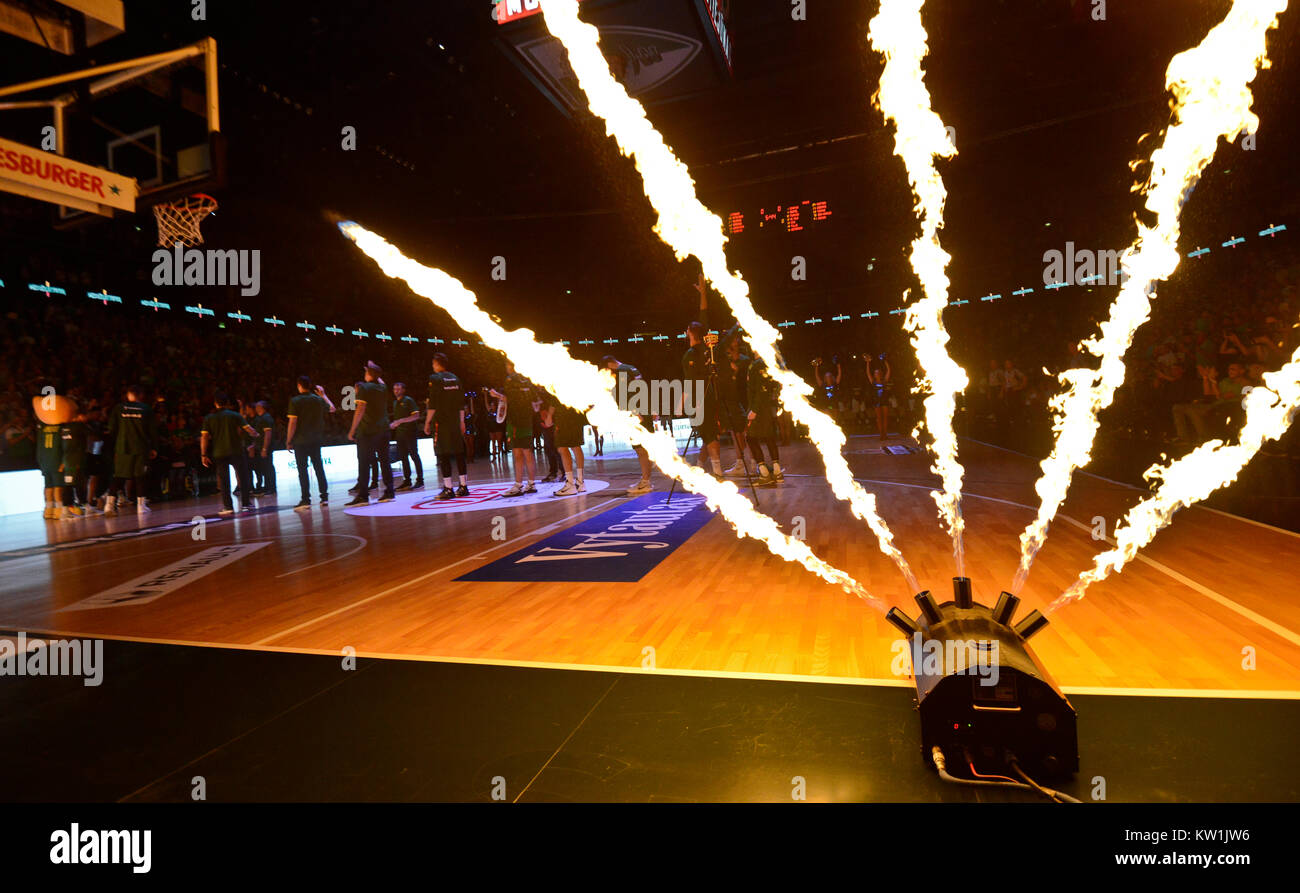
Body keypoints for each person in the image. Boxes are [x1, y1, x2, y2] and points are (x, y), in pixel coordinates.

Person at [602, 355, 654, 494]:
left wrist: (635, 412)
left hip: (637, 414)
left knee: (640, 449)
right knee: (644, 448)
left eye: (607, 370)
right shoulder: (632, 368)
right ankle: (646, 480)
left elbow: (627, 394)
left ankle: (645, 482)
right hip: (645, 409)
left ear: (609, 365)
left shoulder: (622, 371)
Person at [201, 391, 260, 515]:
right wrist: (255, 433)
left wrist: (203, 454)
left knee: (224, 481)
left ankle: (228, 507)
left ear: (215, 403)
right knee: (243, 477)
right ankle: (246, 503)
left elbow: (204, 437)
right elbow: (248, 429)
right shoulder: (234, 415)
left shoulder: (209, 418)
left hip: (219, 453)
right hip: (236, 451)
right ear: (227, 403)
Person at [105, 384, 160, 515]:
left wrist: (114, 447)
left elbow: (112, 429)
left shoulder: (118, 408)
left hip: (123, 447)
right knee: (140, 476)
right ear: (141, 395)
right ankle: (141, 507)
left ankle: (109, 505)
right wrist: (154, 448)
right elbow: (152, 431)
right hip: (141, 448)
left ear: (128, 395)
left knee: (119, 476)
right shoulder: (146, 409)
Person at [346, 361, 396, 506]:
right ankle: (389, 492)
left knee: (364, 463)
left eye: (366, 371)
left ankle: (363, 495)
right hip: (384, 430)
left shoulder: (364, 388)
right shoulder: (382, 387)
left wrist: (352, 430)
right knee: (385, 461)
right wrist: (374, 369)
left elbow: (360, 410)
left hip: (368, 431)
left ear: (369, 374)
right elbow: (380, 379)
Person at [488, 360, 537, 497]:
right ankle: (531, 484)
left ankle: (518, 485)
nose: (506, 368)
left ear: (511, 366)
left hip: (515, 422)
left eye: (507, 366)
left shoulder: (510, 380)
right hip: (527, 420)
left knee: (517, 453)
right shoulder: (527, 380)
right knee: (528, 452)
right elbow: (535, 401)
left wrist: (496, 394)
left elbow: (509, 399)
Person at [285, 376, 336, 510]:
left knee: (302, 471)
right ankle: (324, 497)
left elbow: (293, 423)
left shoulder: (295, 401)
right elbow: (332, 408)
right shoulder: (318, 399)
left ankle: (305, 499)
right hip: (316, 440)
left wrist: (288, 440)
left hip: (300, 441)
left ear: (299, 385)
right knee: (319, 468)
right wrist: (323, 395)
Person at [425, 353, 470, 500]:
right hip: (455, 422)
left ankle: (448, 488)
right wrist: (462, 421)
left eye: (433, 363)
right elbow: (460, 403)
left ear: (437, 363)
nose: (432, 366)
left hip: (441, 422)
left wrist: (427, 422)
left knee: (443, 454)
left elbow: (433, 404)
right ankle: (463, 486)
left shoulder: (435, 379)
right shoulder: (455, 378)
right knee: (459, 453)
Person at [745, 355, 783, 486]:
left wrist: (754, 410)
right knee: (769, 437)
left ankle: (764, 473)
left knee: (750, 438)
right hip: (767, 406)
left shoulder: (759, 364)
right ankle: (777, 472)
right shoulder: (769, 362)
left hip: (760, 408)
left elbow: (761, 390)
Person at [551, 390, 588, 497]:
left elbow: (555, 398)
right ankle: (580, 482)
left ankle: (570, 484)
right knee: (576, 445)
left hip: (564, 415)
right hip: (577, 413)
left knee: (562, 447)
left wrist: (550, 414)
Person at [390, 381, 424, 490]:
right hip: (400, 434)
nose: (396, 391)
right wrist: (394, 424)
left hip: (410, 432)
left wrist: (400, 421)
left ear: (403, 390)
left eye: (398, 389)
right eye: (395, 389)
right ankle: (407, 481)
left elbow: (416, 416)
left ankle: (420, 480)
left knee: (414, 455)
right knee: (403, 457)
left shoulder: (408, 400)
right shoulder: (395, 403)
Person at [59, 406, 91, 519]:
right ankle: (65, 511)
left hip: (67, 461)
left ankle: (85, 507)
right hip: (76, 460)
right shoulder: (79, 426)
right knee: (73, 485)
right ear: (80, 416)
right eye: (86, 416)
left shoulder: (64, 428)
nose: (87, 418)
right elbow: (93, 435)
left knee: (74, 484)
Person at [252, 400, 277, 495]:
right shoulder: (261, 418)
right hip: (261, 446)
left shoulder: (266, 418)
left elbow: (268, 434)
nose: (256, 408)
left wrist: (264, 448)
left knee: (268, 467)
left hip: (266, 447)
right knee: (265, 467)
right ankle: (267, 486)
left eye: (258, 406)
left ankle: (271, 487)